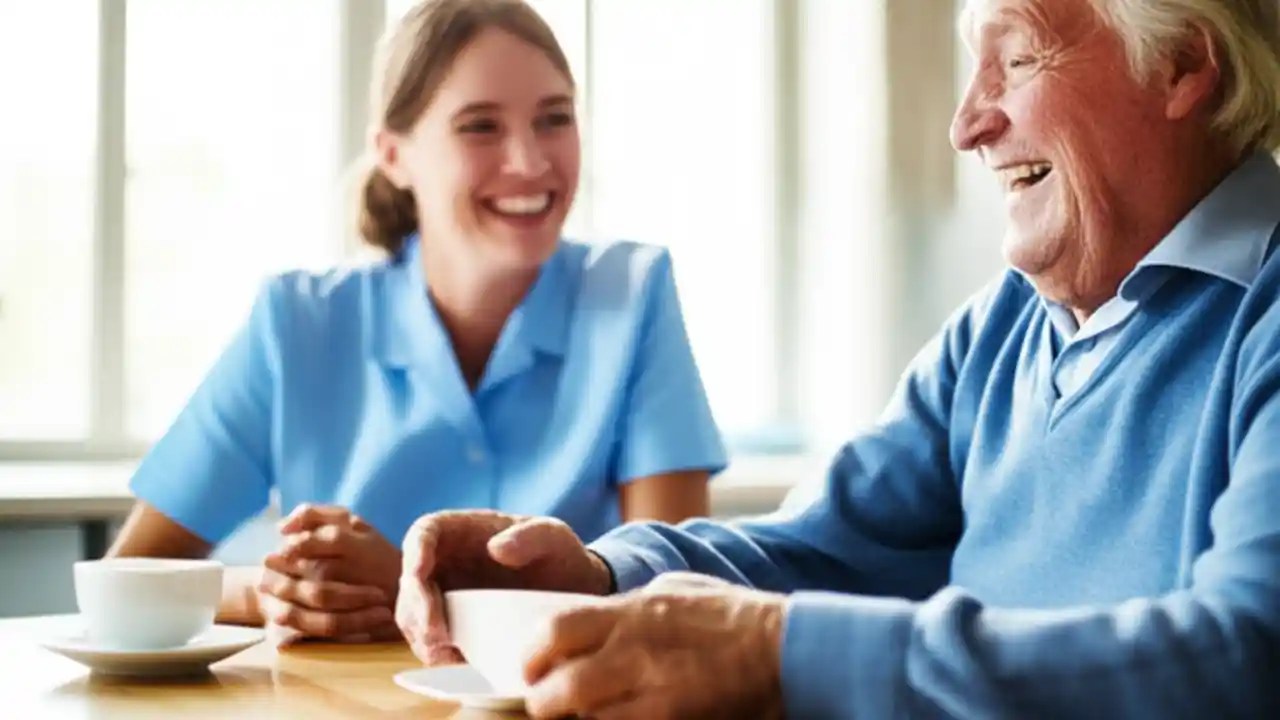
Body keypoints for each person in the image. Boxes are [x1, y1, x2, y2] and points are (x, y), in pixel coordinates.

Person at [395, 0, 1280, 716]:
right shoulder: (1004, 326)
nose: (965, 125)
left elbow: (1247, 657)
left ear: (1180, 66)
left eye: (1014, 60)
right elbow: (822, 547)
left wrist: (775, 652)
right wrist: (595, 575)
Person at [107, 0, 725, 646]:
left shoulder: (634, 296)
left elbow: (675, 603)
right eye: (481, 126)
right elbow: (126, 577)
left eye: (555, 119)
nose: (530, 161)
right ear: (393, 156)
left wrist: (410, 583)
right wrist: (273, 594)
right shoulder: (298, 323)